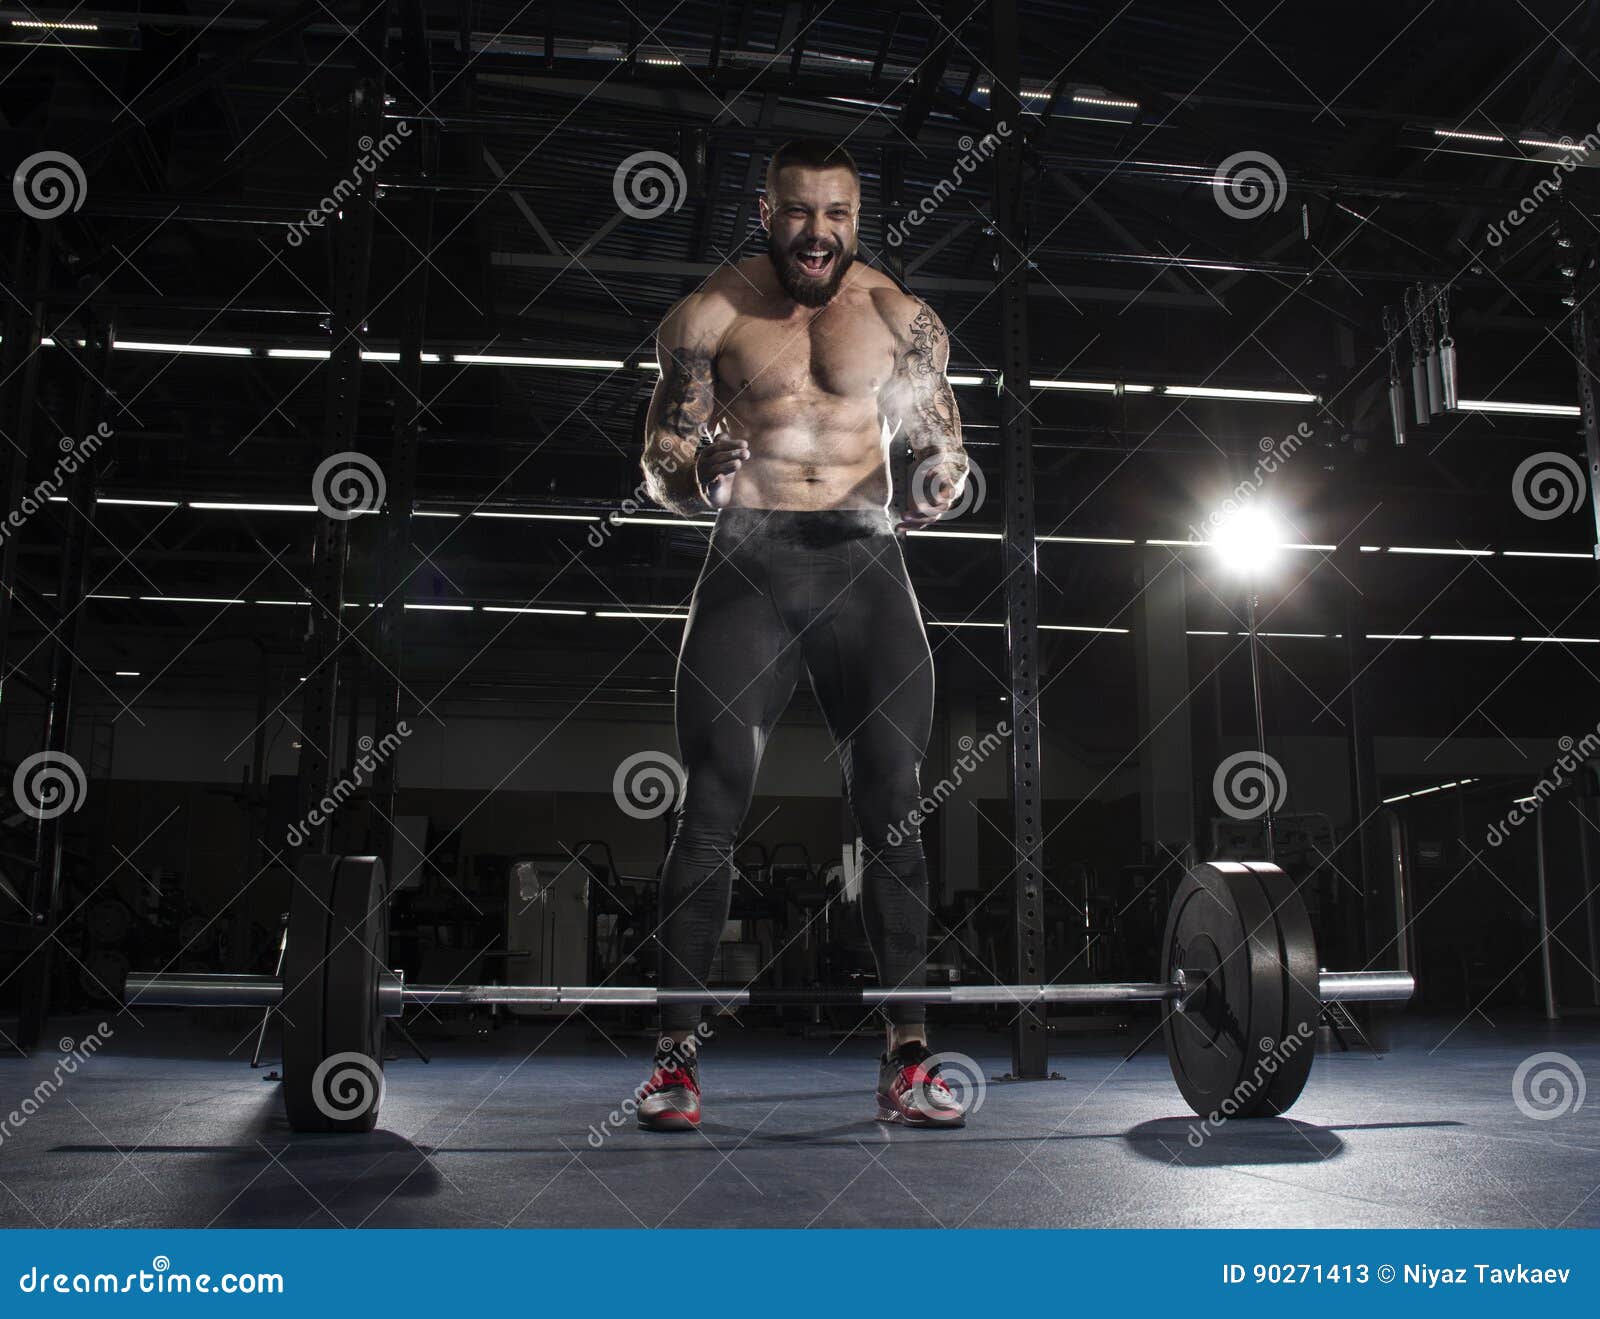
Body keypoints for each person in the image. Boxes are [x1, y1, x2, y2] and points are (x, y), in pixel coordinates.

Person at [635, 138, 970, 1130]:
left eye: (835, 214)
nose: (816, 231)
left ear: (854, 220)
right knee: (707, 808)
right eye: (797, 212)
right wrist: (694, 476)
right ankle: (673, 1063)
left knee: (896, 807)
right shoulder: (711, 314)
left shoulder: (898, 318)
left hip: (866, 565)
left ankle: (906, 1058)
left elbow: (936, 442)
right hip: (750, 561)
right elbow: (658, 460)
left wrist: (939, 480)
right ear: (765, 210)